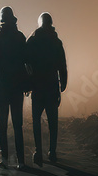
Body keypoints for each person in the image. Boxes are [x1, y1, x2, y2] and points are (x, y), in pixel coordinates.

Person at [0, 7, 29, 169]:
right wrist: (27, 84)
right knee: (18, 125)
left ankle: (4, 159)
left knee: (2, 124)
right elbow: (27, 63)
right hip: (17, 87)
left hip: (2, 86)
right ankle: (21, 161)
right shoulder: (20, 37)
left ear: (1, 19)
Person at [26, 12, 68, 166]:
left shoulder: (33, 40)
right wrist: (63, 83)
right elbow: (62, 65)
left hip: (37, 86)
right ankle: (52, 151)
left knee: (36, 121)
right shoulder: (56, 41)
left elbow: (26, 62)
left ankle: (38, 152)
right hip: (52, 85)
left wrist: (27, 83)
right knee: (53, 121)